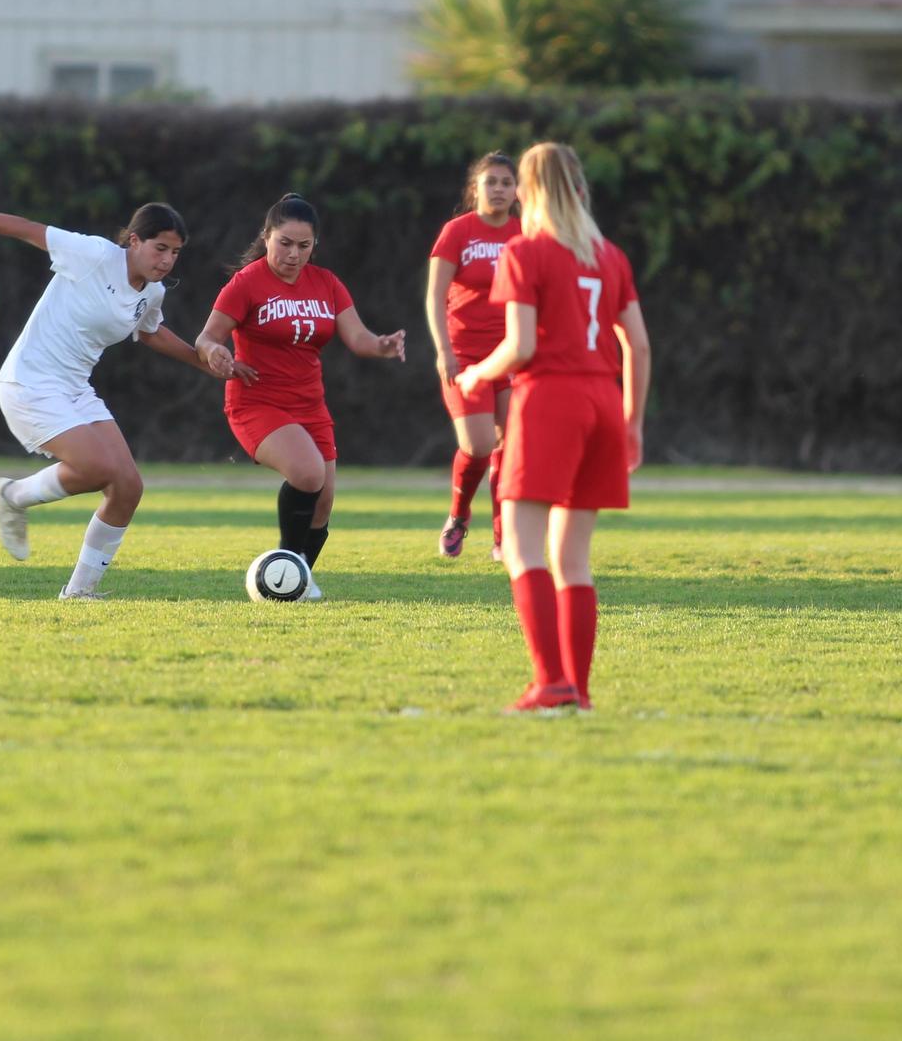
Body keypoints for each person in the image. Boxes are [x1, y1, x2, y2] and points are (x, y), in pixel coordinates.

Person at [0, 199, 255, 598]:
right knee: (97, 468)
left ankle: (79, 592)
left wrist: (208, 365)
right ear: (135, 241)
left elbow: (151, 333)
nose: (167, 260)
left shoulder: (152, 292)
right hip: (29, 383)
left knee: (128, 487)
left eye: (176, 252)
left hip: (75, 389)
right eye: (160, 248)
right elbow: (24, 227)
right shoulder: (94, 255)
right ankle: (13, 496)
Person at [455, 143, 650, 712]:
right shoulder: (609, 256)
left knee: (522, 548)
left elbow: (520, 346)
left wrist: (476, 375)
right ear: (578, 187)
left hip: (550, 401)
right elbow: (638, 344)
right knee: (573, 559)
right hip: (603, 402)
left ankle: (549, 681)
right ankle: (577, 690)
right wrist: (633, 421)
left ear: (529, 190)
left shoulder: (526, 251)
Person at [194, 193, 406, 600]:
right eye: (285, 243)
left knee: (323, 501)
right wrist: (215, 352)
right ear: (267, 238)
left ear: (314, 245)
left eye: (303, 246)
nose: (293, 254)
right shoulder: (247, 282)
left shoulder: (326, 283)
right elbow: (206, 338)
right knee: (308, 474)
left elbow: (358, 338)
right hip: (256, 401)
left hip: (310, 404)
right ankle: (286, 572)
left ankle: (298, 578)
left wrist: (381, 345)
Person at [425, 151, 517, 561]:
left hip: (513, 353)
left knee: (511, 446)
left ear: (517, 191)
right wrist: (444, 350)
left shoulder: (525, 234)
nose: (498, 189)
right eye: (490, 181)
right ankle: (459, 515)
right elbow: (435, 296)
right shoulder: (458, 231)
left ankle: (504, 538)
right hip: (465, 356)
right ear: (475, 188)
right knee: (479, 445)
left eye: (506, 182)